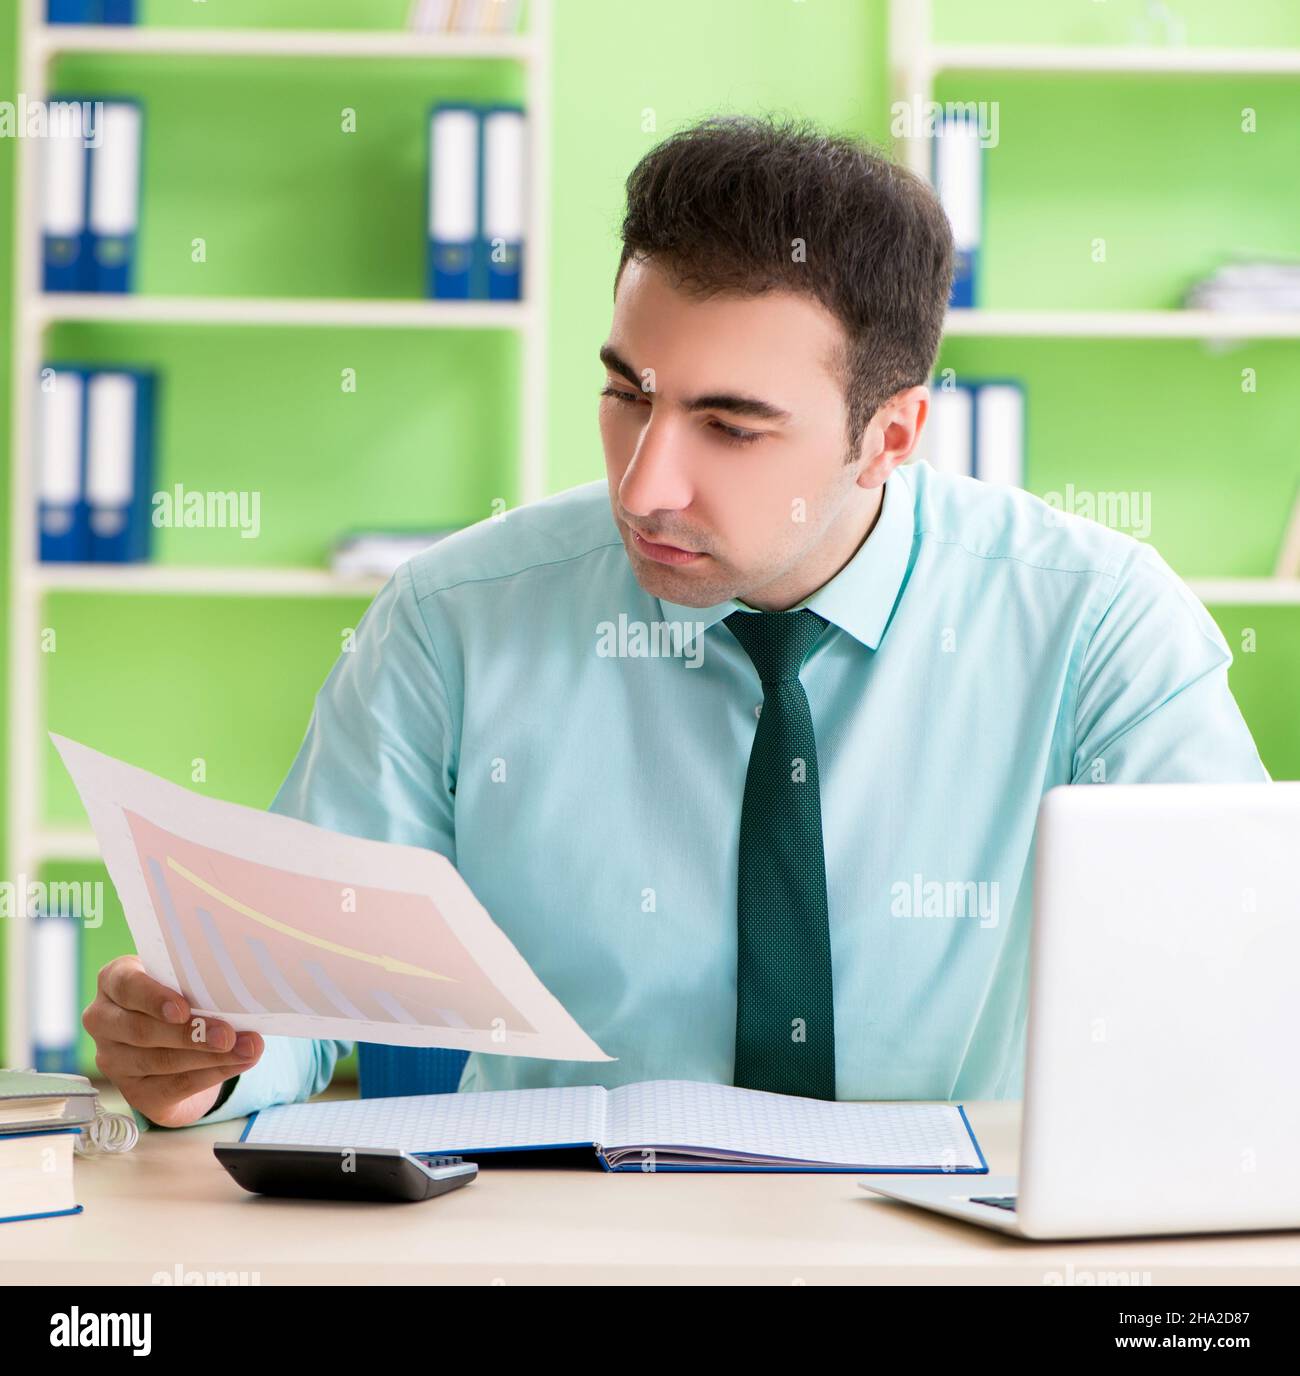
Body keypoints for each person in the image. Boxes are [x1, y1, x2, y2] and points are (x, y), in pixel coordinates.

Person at [83, 114, 1267, 1130]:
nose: (644, 484)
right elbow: (292, 996)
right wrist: (198, 1060)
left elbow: (1242, 979)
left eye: (731, 427)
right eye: (625, 393)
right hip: (564, 1243)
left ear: (890, 435)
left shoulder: (1097, 625)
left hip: (946, 1255)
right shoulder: (455, 621)